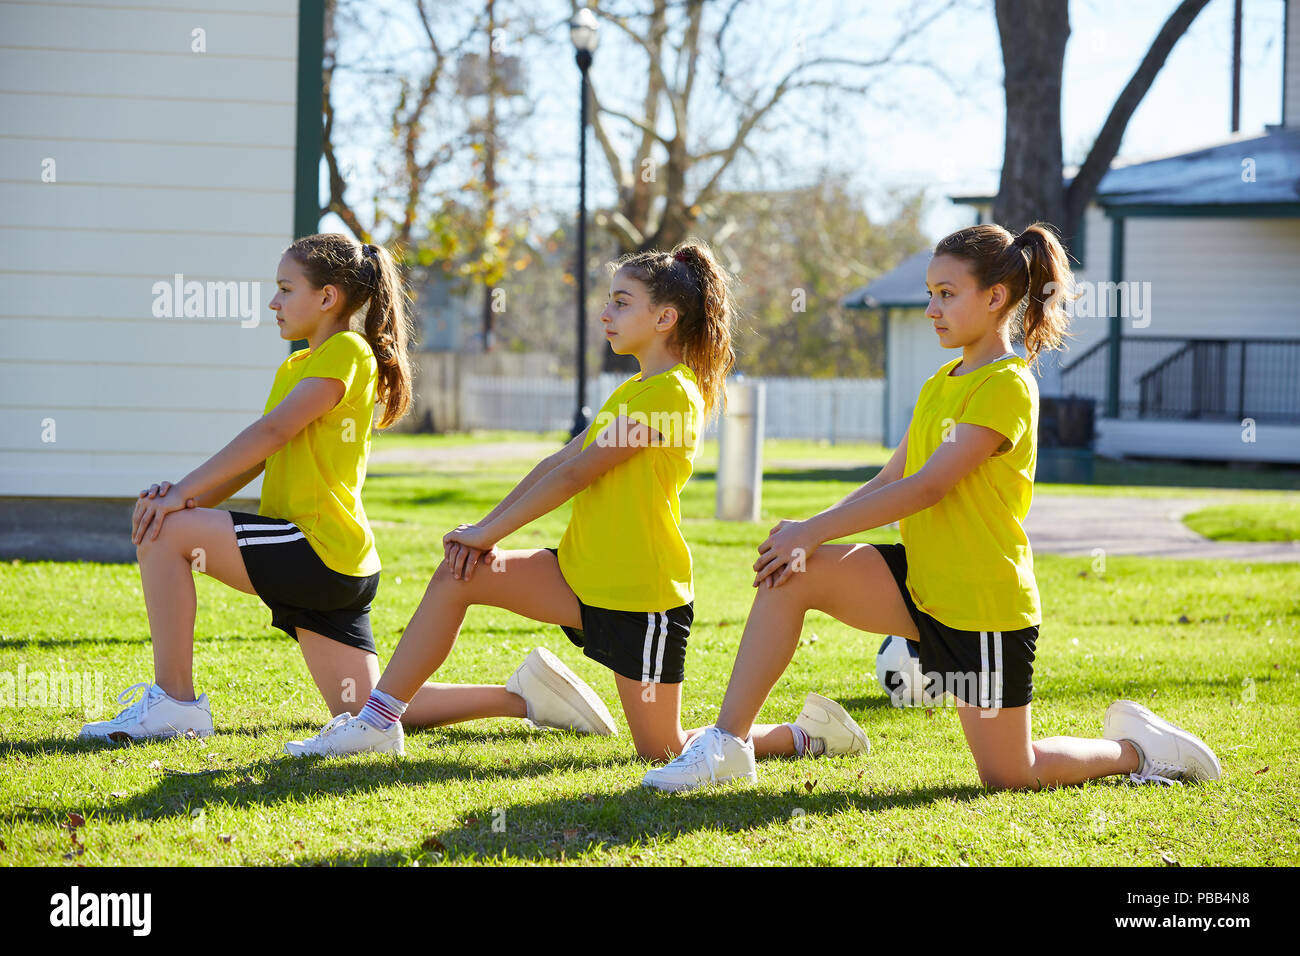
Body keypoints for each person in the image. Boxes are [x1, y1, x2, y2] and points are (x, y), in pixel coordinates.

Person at [643, 223, 1222, 792]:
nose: (931, 309)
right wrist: (809, 537)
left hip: (982, 603)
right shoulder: (938, 383)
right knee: (790, 574)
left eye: (947, 294)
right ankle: (728, 744)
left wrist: (813, 527)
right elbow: (891, 478)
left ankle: (1138, 749)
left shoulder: (1007, 385)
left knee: (1009, 774)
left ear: (995, 298)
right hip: (920, 581)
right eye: (930, 295)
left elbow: (927, 487)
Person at [285, 240, 870, 767]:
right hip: (578, 575)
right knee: (458, 574)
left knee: (661, 750)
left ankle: (805, 736)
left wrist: (490, 535)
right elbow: (556, 465)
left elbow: (578, 476)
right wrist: (482, 531)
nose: (605, 314)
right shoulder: (633, 388)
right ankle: (378, 720)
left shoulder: (673, 395)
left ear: (664, 317)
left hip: (643, 596)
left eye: (621, 302)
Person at [80, 234, 418, 741]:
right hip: (337, 562)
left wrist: (177, 506)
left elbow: (271, 432)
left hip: (315, 548)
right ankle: (521, 697)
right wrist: (185, 499)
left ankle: (176, 705)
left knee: (162, 536)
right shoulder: (299, 365)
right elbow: (263, 455)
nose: (273, 302)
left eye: (285, 289)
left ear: (327, 298)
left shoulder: (347, 349)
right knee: (369, 711)